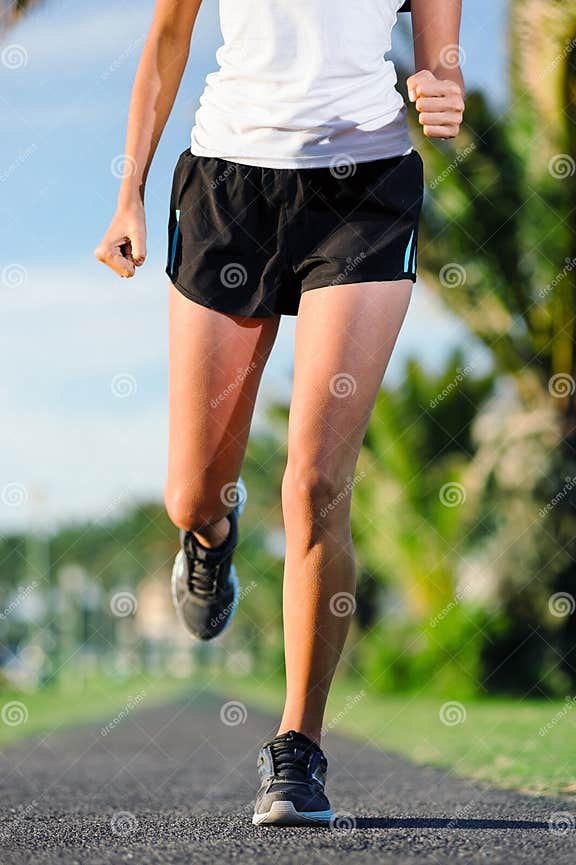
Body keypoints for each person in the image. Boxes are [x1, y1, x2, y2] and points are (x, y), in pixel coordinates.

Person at [95, 0, 464, 827]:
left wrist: (444, 88)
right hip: (230, 187)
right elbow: (167, 37)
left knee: (314, 483)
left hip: (363, 190)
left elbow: (442, 56)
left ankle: (298, 746)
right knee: (192, 491)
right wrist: (130, 194)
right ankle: (208, 538)